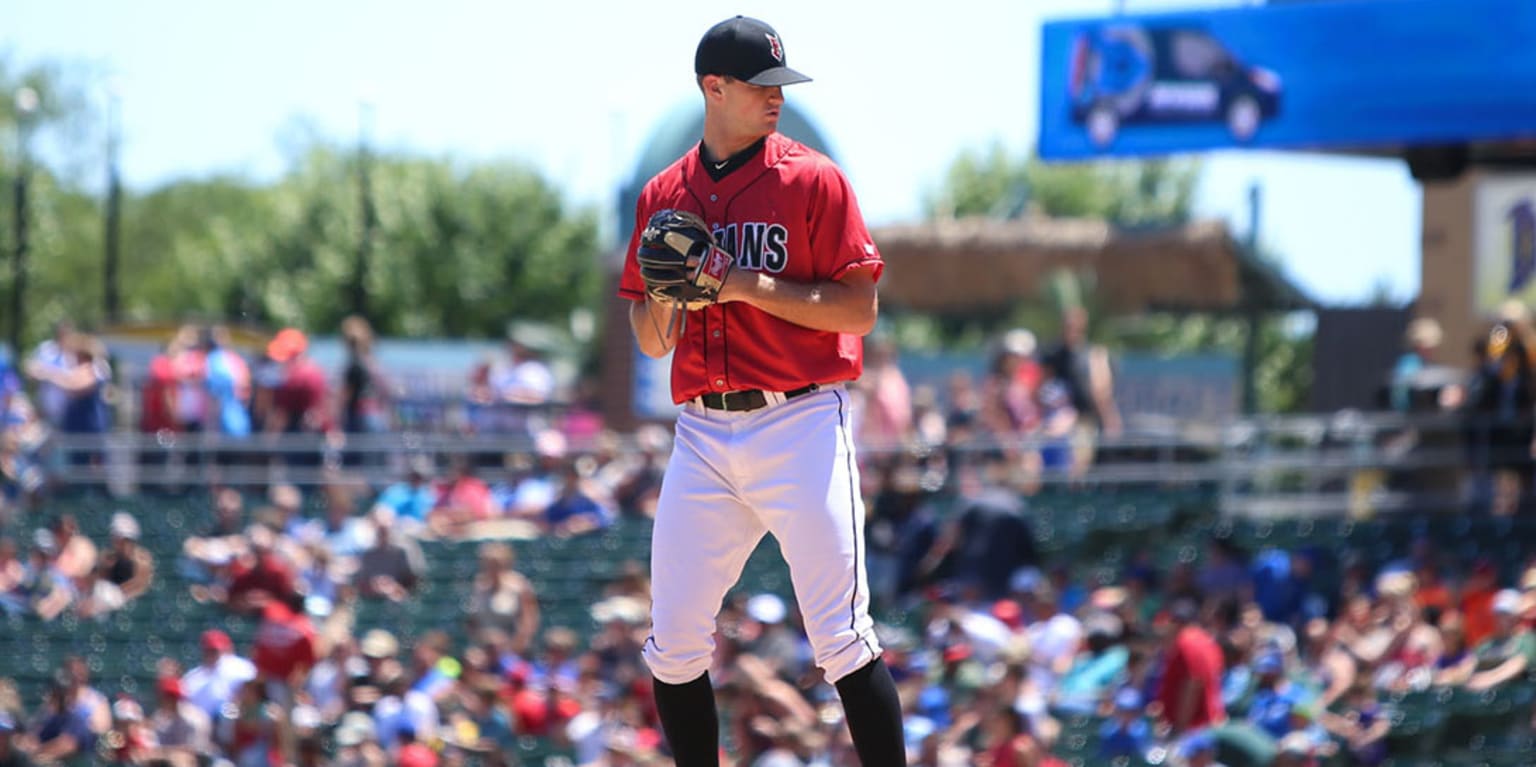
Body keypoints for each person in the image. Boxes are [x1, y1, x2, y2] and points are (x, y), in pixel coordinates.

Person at [618, 15, 903, 766]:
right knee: (673, 644)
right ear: (713, 88)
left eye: (782, 84)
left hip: (800, 420)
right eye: (759, 85)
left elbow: (859, 307)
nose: (776, 97)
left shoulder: (813, 179)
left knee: (841, 636)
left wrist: (736, 282)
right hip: (703, 434)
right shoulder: (662, 193)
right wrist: (676, 294)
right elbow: (651, 338)